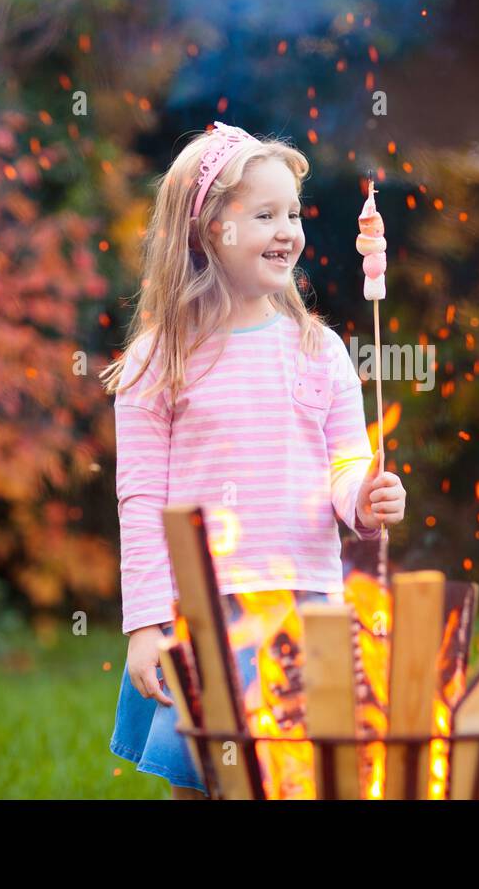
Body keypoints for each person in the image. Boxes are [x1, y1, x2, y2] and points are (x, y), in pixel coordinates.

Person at [101, 121, 406, 798]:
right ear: (211, 229)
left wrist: (364, 496)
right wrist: (147, 625)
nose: (288, 230)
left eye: (293, 213)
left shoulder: (319, 351)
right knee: (201, 781)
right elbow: (142, 502)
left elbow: (346, 463)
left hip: (307, 603)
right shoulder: (159, 359)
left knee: (301, 782)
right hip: (202, 612)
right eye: (264, 214)